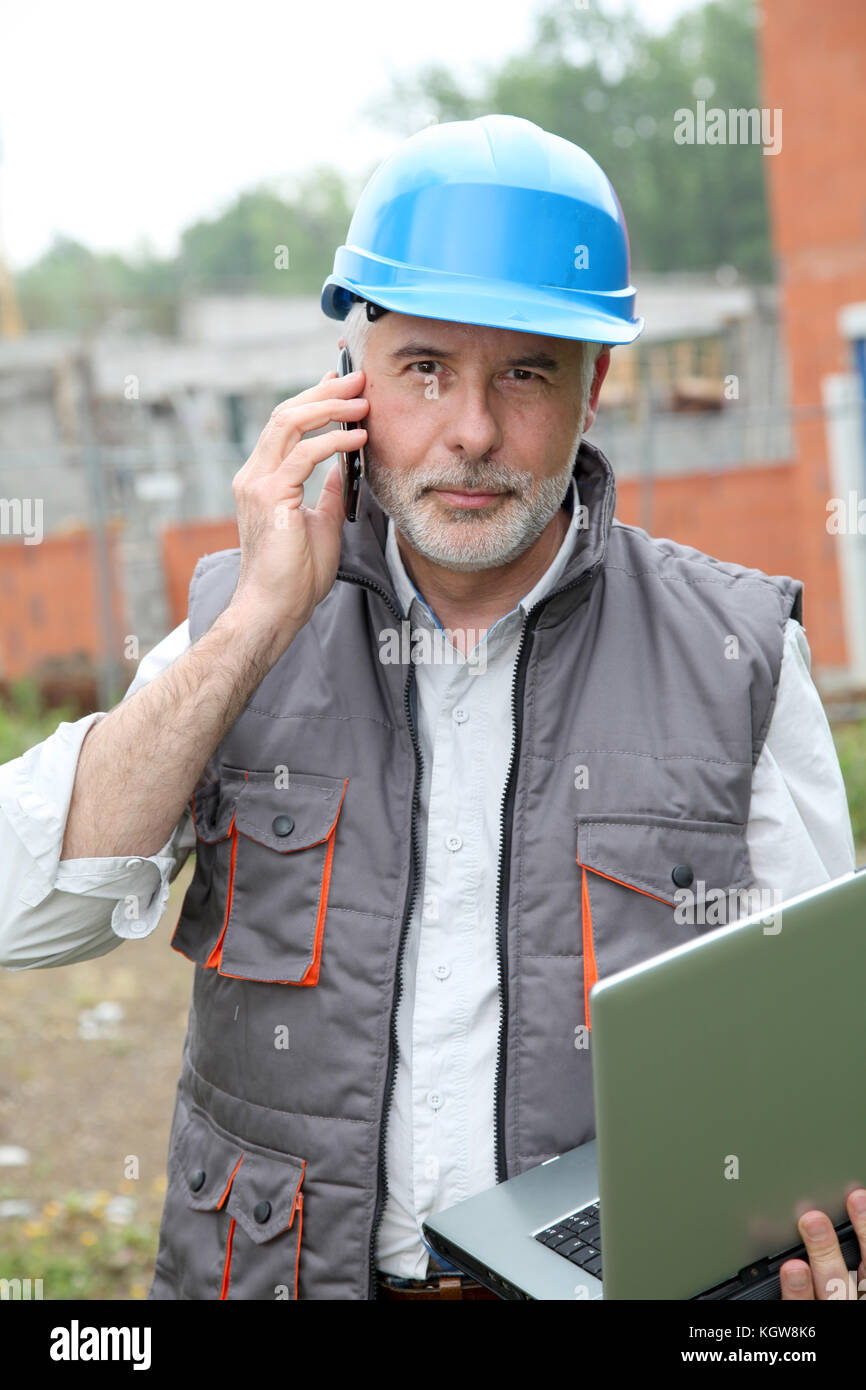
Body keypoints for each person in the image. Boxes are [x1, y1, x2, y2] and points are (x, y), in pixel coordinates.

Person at [0, 115, 859, 1302]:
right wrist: (253, 626)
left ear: (592, 386)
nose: (470, 431)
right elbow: (27, 914)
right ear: (349, 381)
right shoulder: (234, 628)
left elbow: (823, 1058)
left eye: (523, 371)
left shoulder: (736, 655)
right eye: (424, 368)